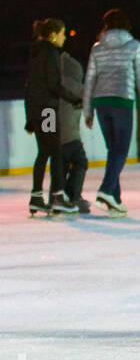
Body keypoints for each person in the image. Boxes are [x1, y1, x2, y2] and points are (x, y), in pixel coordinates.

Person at [82, 10, 140, 217]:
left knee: (114, 150)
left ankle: (115, 200)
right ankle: (105, 191)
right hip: (122, 100)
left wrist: (88, 110)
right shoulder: (134, 45)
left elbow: (90, 80)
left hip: (101, 102)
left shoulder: (97, 48)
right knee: (120, 150)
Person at [24, 18, 82, 216]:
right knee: (56, 152)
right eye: (62, 33)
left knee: (44, 152)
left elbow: (30, 86)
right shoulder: (50, 53)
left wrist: (30, 116)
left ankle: (36, 197)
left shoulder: (35, 53)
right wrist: (75, 99)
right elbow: (53, 85)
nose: (64, 37)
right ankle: (57, 197)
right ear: (52, 34)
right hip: (47, 110)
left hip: (36, 109)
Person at [58, 41, 91, 213]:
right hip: (71, 136)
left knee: (61, 167)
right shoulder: (77, 87)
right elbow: (90, 99)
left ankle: (59, 196)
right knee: (80, 163)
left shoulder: (54, 85)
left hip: (56, 137)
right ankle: (74, 196)